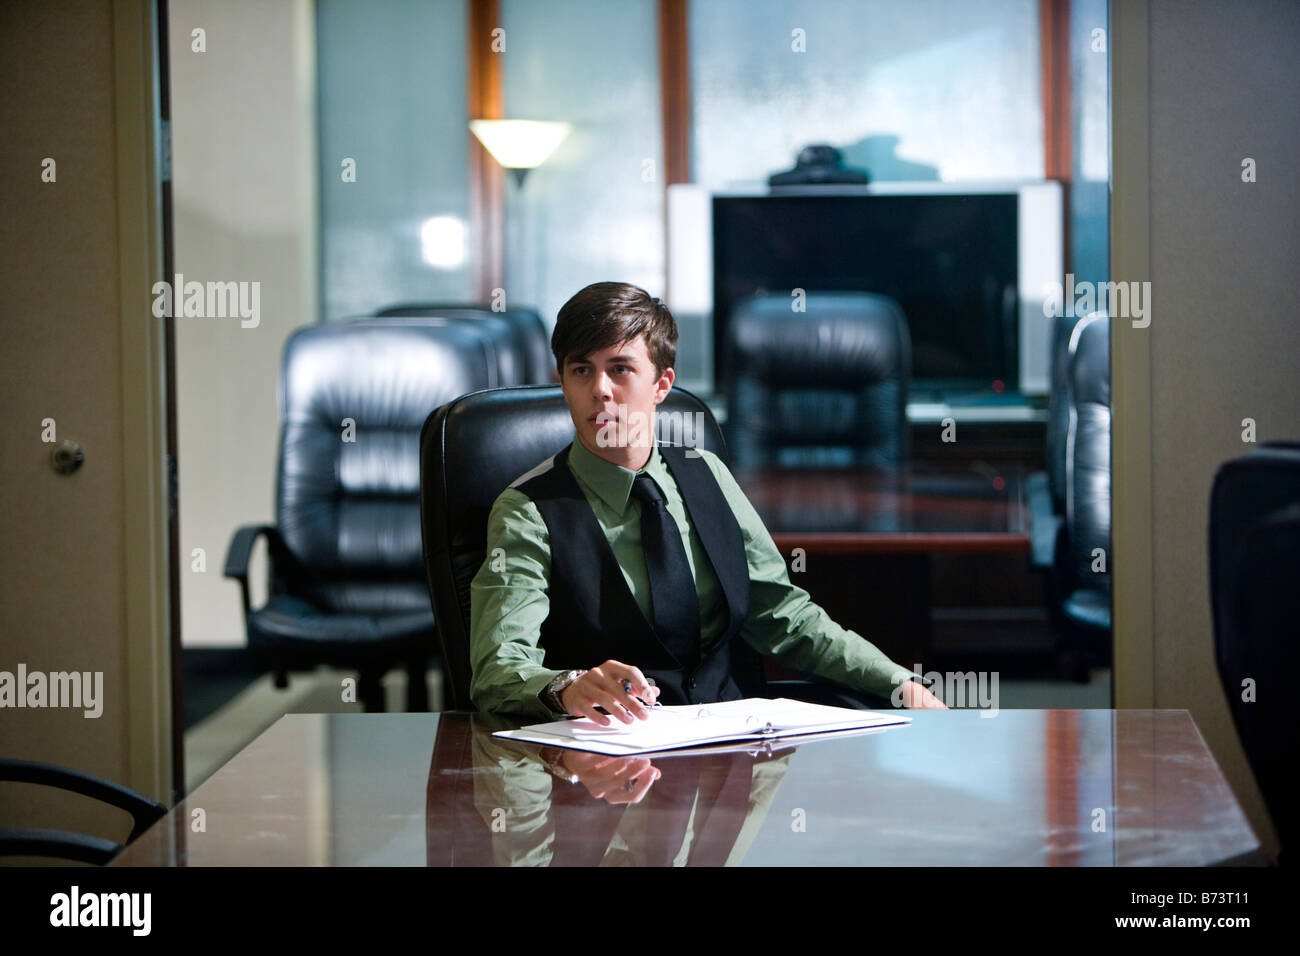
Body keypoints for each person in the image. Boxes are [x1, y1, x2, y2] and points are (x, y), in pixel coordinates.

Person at [469, 281, 947, 724]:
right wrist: (564, 687)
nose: (600, 390)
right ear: (564, 383)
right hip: (611, 762)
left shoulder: (708, 474)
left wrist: (899, 683)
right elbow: (498, 669)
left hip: (732, 752)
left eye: (620, 369)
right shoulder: (528, 510)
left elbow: (784, 617)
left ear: (661, 385)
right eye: (581, 370)